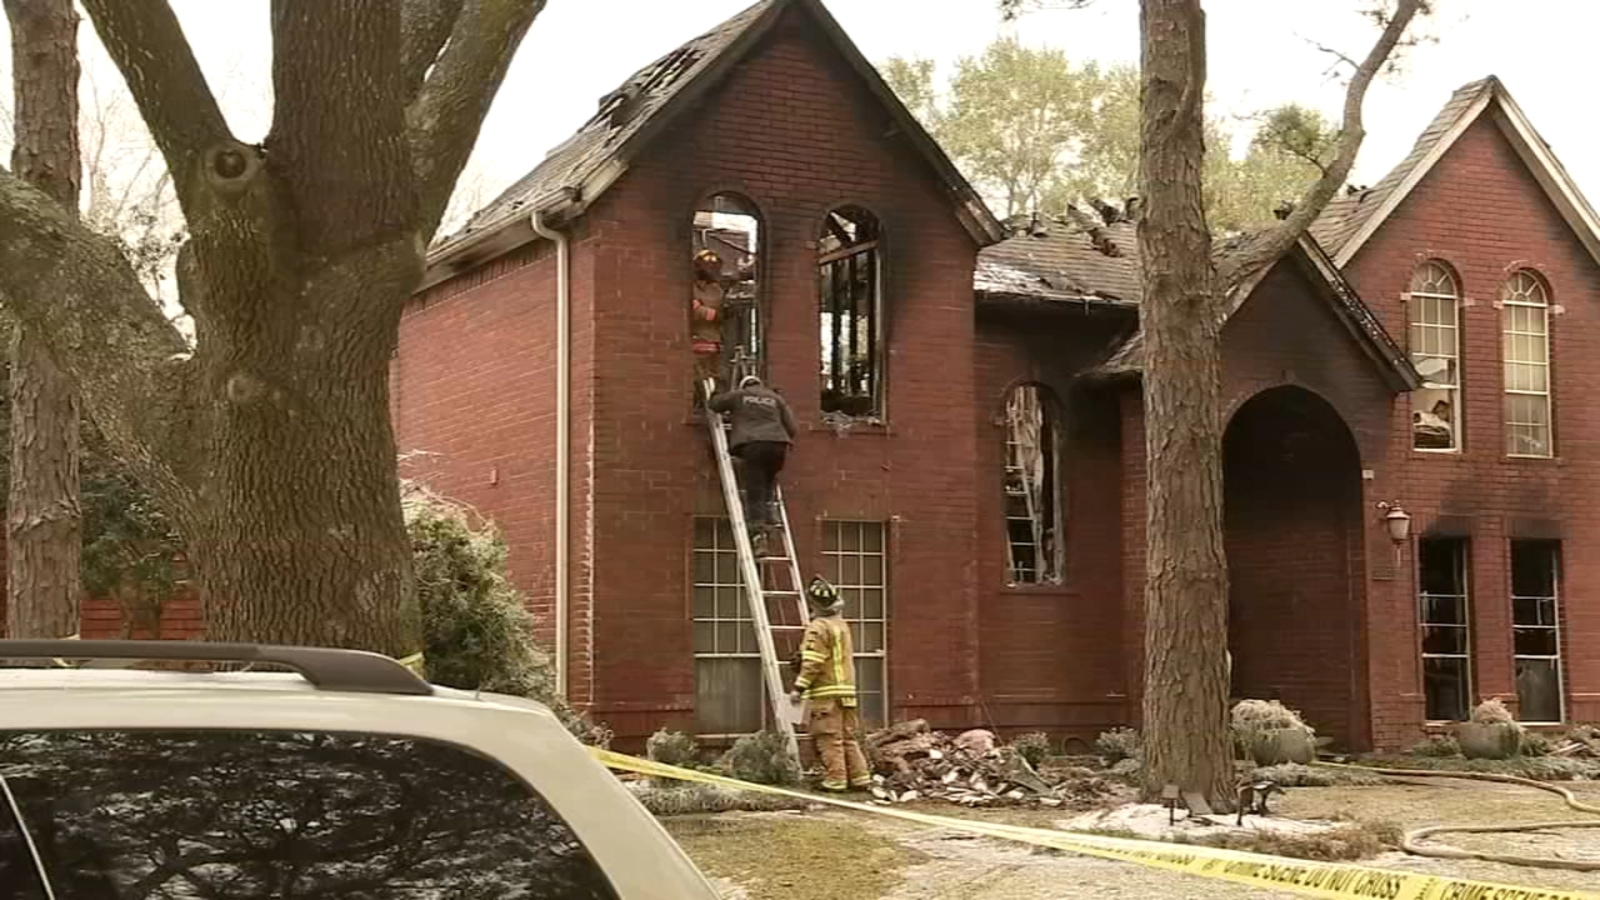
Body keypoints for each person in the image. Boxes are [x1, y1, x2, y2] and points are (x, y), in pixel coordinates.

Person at [790, 576, 871, 793]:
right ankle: (860, 777)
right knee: (847, 738)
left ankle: (835, 780)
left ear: (814, 605)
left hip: (826, 693)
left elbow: (814, 663)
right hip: (847, 691)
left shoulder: (818, 627)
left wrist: (799, 687)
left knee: (829, 738)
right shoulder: (841, 625)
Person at [708, 375, 796, 552]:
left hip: (753, 444)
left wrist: (714, 391)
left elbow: (715, 405)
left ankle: (759, 536)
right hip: (778, 446)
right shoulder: (776, 398)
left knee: (755, 490)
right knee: (768, 480)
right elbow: (792, 427)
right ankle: (770, 511)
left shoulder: (739, 395)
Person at [691, 249, 725, 391]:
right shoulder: (689, 287)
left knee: (716, 380)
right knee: (696, 381)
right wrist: (713, 314)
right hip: (695, 341)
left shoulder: (718, 290)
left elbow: (722, 311)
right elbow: (693, 310)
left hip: (714, 343)